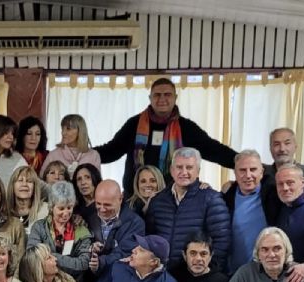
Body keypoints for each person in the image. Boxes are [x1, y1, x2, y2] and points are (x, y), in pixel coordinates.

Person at [95, 76, 236, 194]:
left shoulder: (186, 127)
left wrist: (241, 162)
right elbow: (112, 150)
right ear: (150, 98)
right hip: (136, 199)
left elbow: (213, 150)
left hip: (172, 200)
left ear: (175, 97)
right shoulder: (134, 124)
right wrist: (81, 155)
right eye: (157, 95)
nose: (162, 99)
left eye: (167, 94)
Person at [145, 147, 231, 270]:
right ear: (171, 170)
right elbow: (149, 238)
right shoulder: (158, 200)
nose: (184, 172)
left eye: (189, 167)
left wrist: (207, 273)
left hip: (195, 276)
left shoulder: (211, 199)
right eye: (179, 167)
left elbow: (222, 242)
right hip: (161, 274)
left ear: (198, 171)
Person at [27, 181, 94, 280]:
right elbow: (32, 256)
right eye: (61, 208)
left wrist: (50, 257)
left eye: (69, 207)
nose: (66, 213)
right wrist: (69, 262)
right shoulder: (39, 227)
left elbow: (83, 263)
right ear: (51, 207)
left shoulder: (82, 230)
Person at [223, 149, 271, 273]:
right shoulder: (225, 197)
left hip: (265, 272)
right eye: (242, 170)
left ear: (262, 172)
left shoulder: (274, 194)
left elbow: (297, 185)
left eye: (253, 170)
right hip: (232, 273)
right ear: (235, 173)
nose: (248, 175)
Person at [86, 180, 146, 278]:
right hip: (91, 279)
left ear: (120, 199)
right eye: (98, 203)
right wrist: (91, 249)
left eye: (107, 205)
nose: (102, 209)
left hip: (121, 278)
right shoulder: (88, 216)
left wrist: (101, 262)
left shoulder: (135, 223)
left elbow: (126, 252)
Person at [43, 114, 101, 178]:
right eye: (62, 129)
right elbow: (42, 181)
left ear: (80, 131)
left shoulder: (93, 156)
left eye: (68, 129)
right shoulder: (53, 155)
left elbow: (97, 183)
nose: (63, 133)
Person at [8, 165, 49, 230]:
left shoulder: (46, 211)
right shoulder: (4, 213)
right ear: (12, 186)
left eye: (29, 181)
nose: (24, 184)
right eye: (20, 180)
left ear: (35, 187)